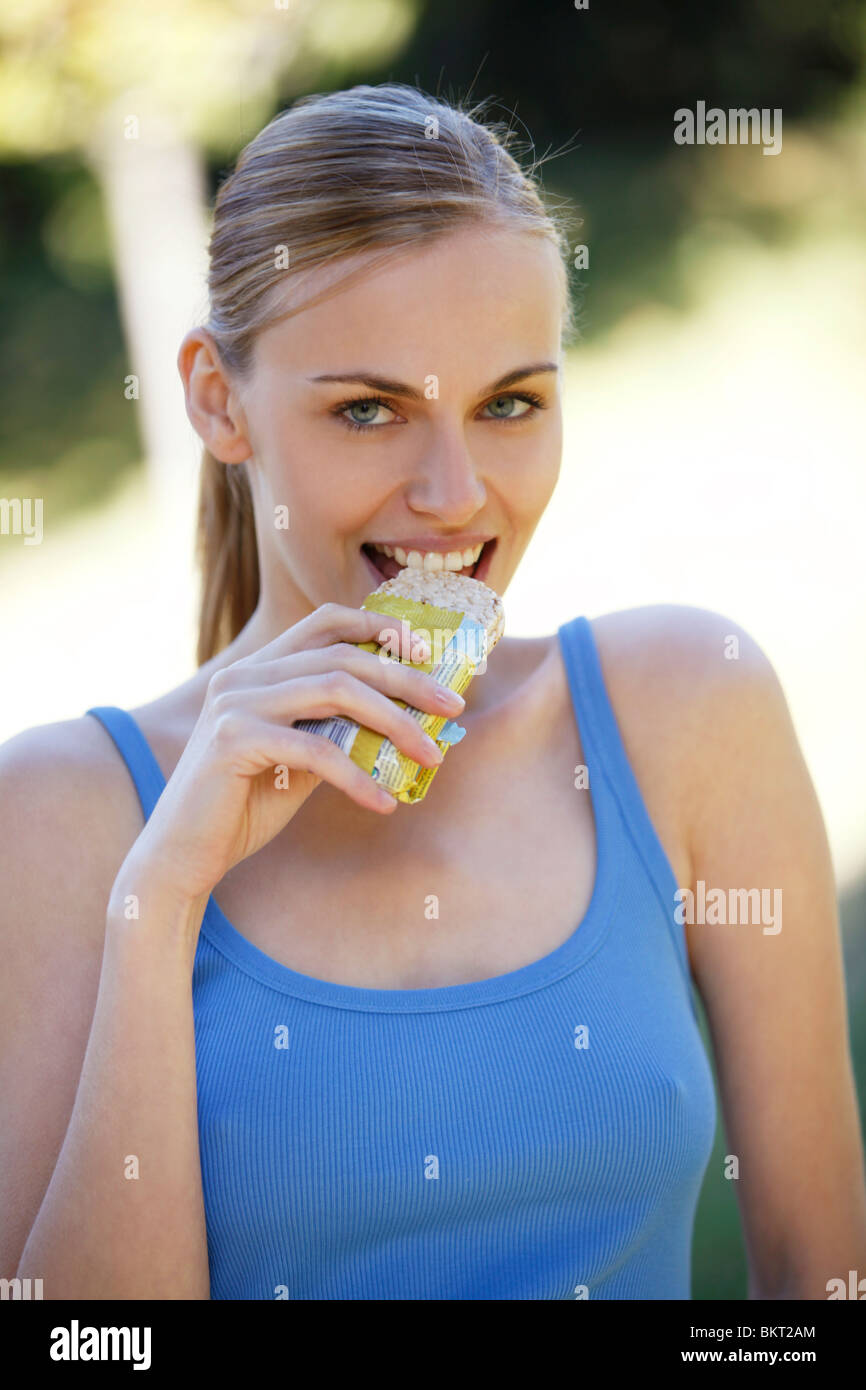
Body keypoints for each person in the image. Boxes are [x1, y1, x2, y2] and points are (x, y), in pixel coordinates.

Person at [2, 83, 865, 1301]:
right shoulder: (62, 812)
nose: (455, 496)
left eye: (508, 403)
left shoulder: (685, 707)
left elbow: (819, 1285)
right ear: (214, 398)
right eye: (369, 410)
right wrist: (162, 897)